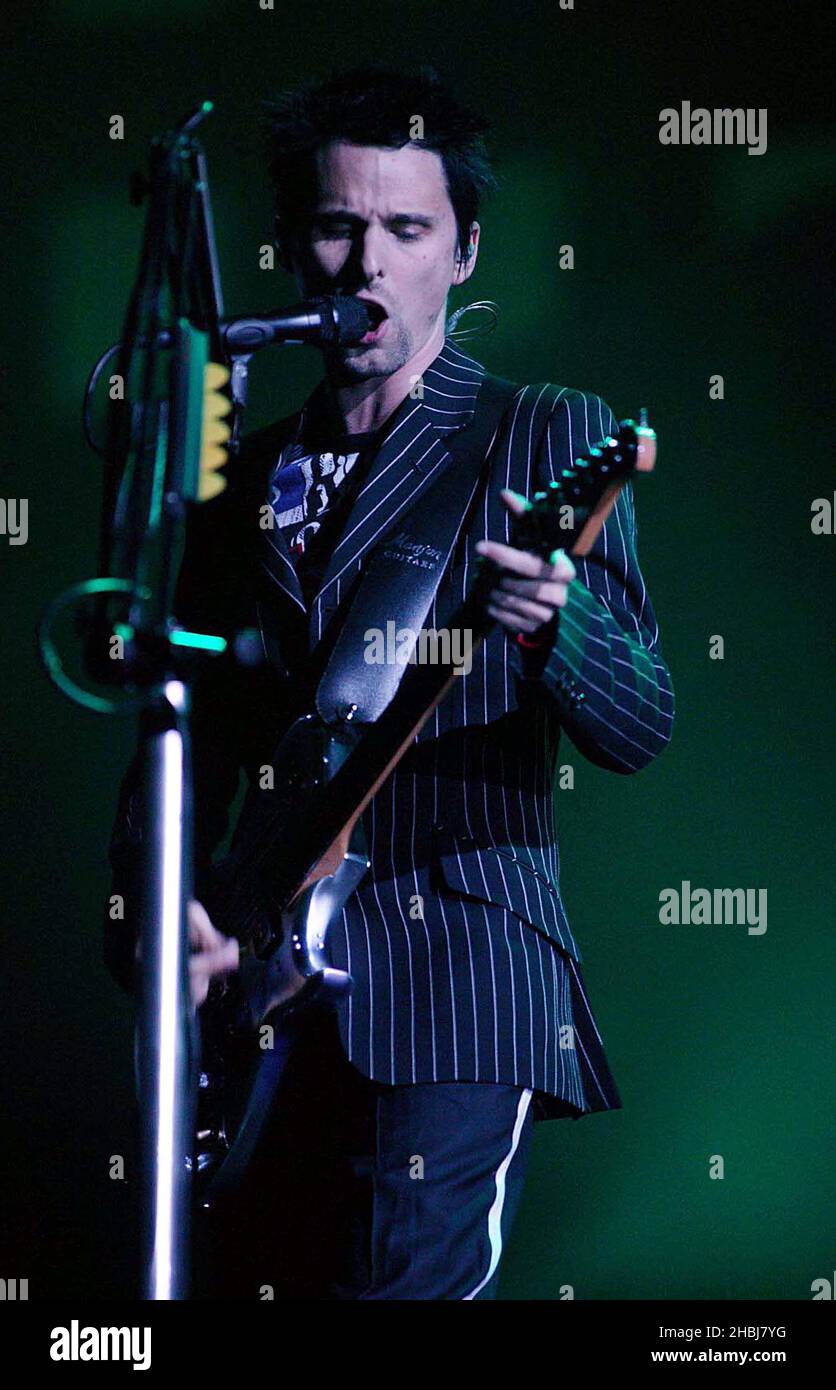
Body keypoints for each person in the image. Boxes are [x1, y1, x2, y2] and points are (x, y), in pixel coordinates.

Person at [105, 64, 675, 1300]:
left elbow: (643, 721)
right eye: (336, 225)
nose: (366, 261)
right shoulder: (236, 475)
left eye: (405, 230)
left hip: (459, 982)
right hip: (261, 997)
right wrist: (166, 925)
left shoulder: (534, 431)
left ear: (461, 252)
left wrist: (553, 625)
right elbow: (181, 739)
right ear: (290, 248)